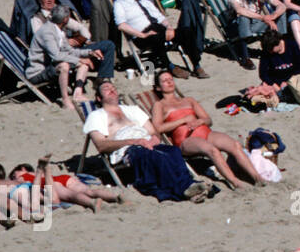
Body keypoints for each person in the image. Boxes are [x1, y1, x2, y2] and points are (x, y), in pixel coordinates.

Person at [82, 80, 210, 203]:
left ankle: (188, 186)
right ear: (99, 98)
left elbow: (153, 131)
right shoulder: (96, 116)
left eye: (113, 88)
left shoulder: (132, 109)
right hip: (128, 148)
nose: (111, 90)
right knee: (153, 157)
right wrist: (134, 141)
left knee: (173, 151)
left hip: (147, 142)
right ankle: (185, 188)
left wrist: (154, 139)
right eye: (106, 89)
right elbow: (101, 145)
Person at [150, 69, 260, 188]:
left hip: (206, 133)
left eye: (171, 79)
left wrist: (200, 121)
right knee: (212, 150)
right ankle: (235, 182)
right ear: (158, 88)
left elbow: (208, 120)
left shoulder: (189, 100)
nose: (169, 82)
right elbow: (158, 128)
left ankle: (258, 178)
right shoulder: (159, 105)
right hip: (186, 140)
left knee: (235, 145)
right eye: (165, 81)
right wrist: (183, 120)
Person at [26, 4, 112, 110]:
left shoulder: (59, 30)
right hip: (37, 72)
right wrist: (79, 59)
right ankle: (65, 99)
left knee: (84, 63)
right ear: (65, 19)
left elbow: (70, 50)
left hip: (50, 66)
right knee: (64, 65)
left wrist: (90, 52)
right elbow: (56, 56)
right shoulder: (47, 32)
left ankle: (77, 93)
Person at [114, 0, 194, 79]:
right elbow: (121, 25)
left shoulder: (146, 2)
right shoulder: (120, 4)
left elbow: (161, 18)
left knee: (187, 31)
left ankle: (196, 65)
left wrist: (169, 27)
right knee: (156, 37)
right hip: (142, 36)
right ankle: (169, 65)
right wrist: (142, 35)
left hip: (160, 30)